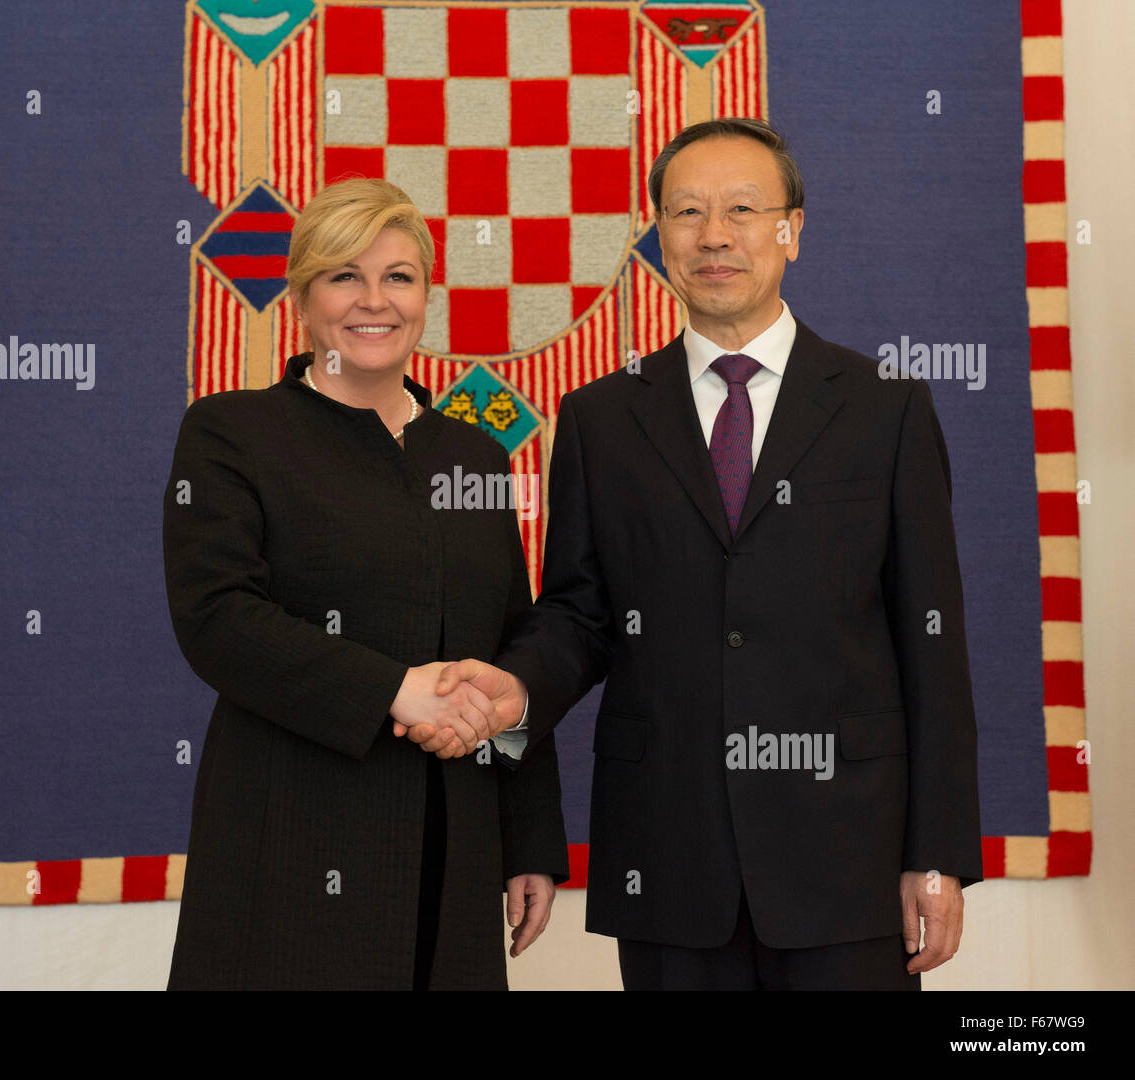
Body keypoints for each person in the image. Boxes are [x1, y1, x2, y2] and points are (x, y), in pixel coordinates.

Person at [421, 119, 983, 990]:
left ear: (791, 230)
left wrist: (939, 854)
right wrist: (519, 689)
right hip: (668, 855)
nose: (713, 235)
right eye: (686, 212)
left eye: (742, 210)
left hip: (848, 858)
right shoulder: (600, 419)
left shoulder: (887, 408)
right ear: (659, 238)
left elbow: (932, 646)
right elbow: (579, 614)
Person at [162, 177, 566, 990]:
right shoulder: (231, 433)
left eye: (399, 276)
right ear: (303, 297)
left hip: (452, 853)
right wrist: (396, 692)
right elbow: (217, 619)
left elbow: (511, 648)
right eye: (344, 275)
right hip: (287, 846)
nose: (373, 300)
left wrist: (530, 842)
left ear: (426, 296)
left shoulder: (475, 459)